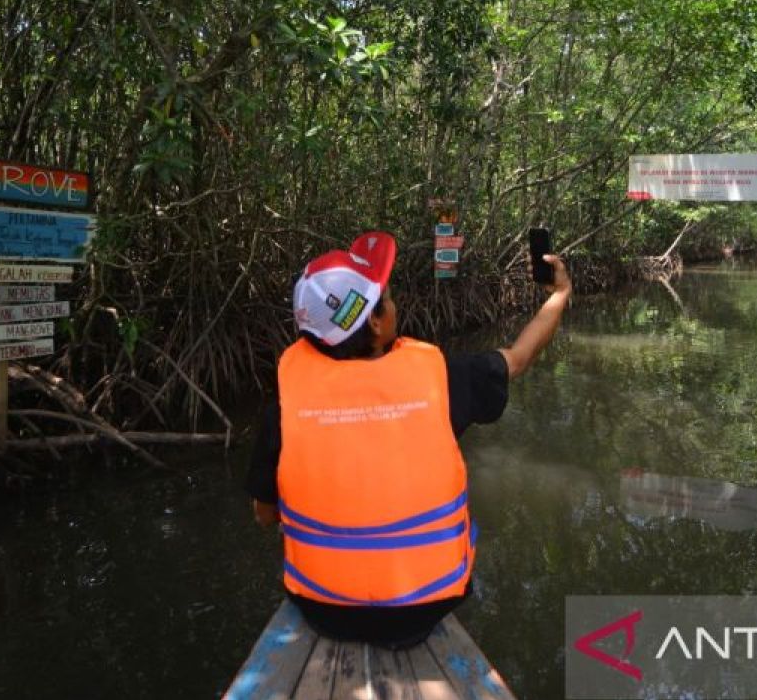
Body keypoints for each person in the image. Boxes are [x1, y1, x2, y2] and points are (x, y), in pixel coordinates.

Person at [245, 230, 572, 647]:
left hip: (323, 609)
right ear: (377, 321)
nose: (395, 302)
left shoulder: (284, 410)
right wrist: (559, 293)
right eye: (389, 295)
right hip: (428, 605)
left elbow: (264, 515)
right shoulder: (441, 380)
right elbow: (520, 356)